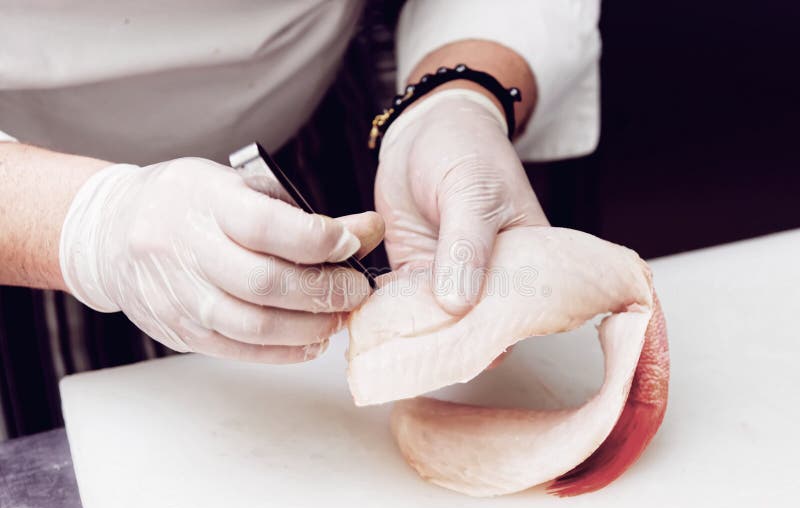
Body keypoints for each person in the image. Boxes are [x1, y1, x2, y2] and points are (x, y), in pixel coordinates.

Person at [0, 1, 601, 437]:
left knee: (337, 421)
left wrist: (459, 96)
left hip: (301, 126)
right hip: (27, 194)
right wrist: (90, 224)